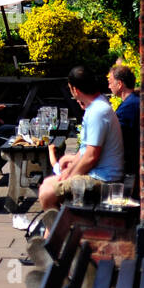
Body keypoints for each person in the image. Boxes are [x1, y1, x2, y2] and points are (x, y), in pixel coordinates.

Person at [37, 66, 125, 210]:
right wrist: (70, 167)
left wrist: (70, 176)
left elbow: (91, 157)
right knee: (47, 184)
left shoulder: (97, 112)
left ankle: (57, 231)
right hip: (98, 174)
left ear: (75, 90)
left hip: (103, 180)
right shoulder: (96, 106)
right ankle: (54, 231)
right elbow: (86, 150)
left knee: (46, 193)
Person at [108, 64, 139, 168]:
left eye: (111, 83)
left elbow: (115, 138)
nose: (109, 86)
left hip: (132, 162)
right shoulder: (135, 100)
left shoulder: (127, 108)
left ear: (120, 84)